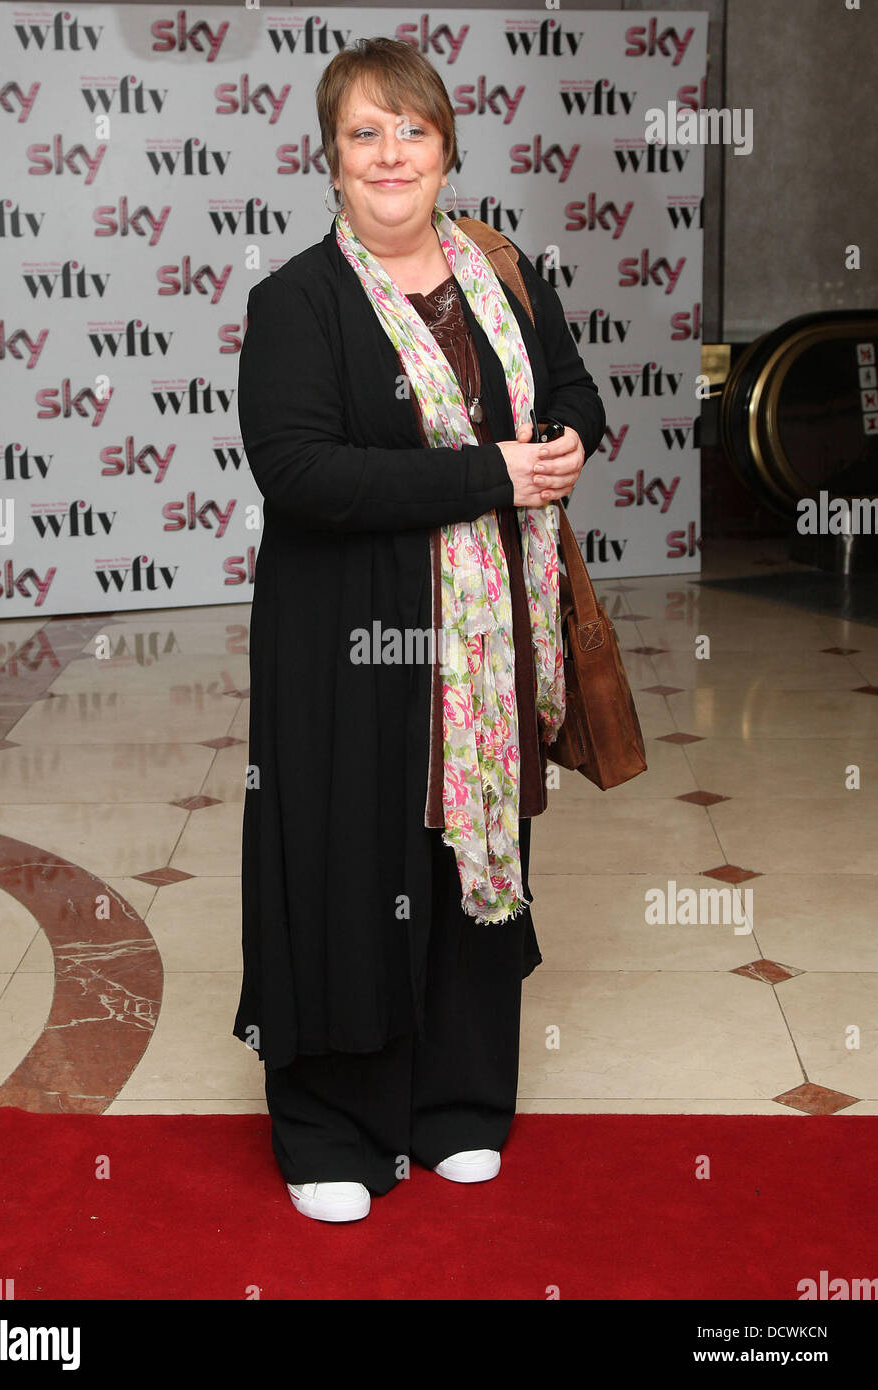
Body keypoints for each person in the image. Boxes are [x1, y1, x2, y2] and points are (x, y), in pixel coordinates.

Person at [234, 36, 606, 1223]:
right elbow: (302, 474)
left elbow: (572, 388)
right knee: (349, 864)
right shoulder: (296, 301)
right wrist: (492, 473)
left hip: (487, 639)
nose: (390, 154)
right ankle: (330, 1129)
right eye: (365, 133)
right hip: (348, 647)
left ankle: (458, 1103)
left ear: (446, 150)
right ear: (330, 158)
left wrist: (568, 441)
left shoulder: (501, 272)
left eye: (413, 131)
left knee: (470, 861)